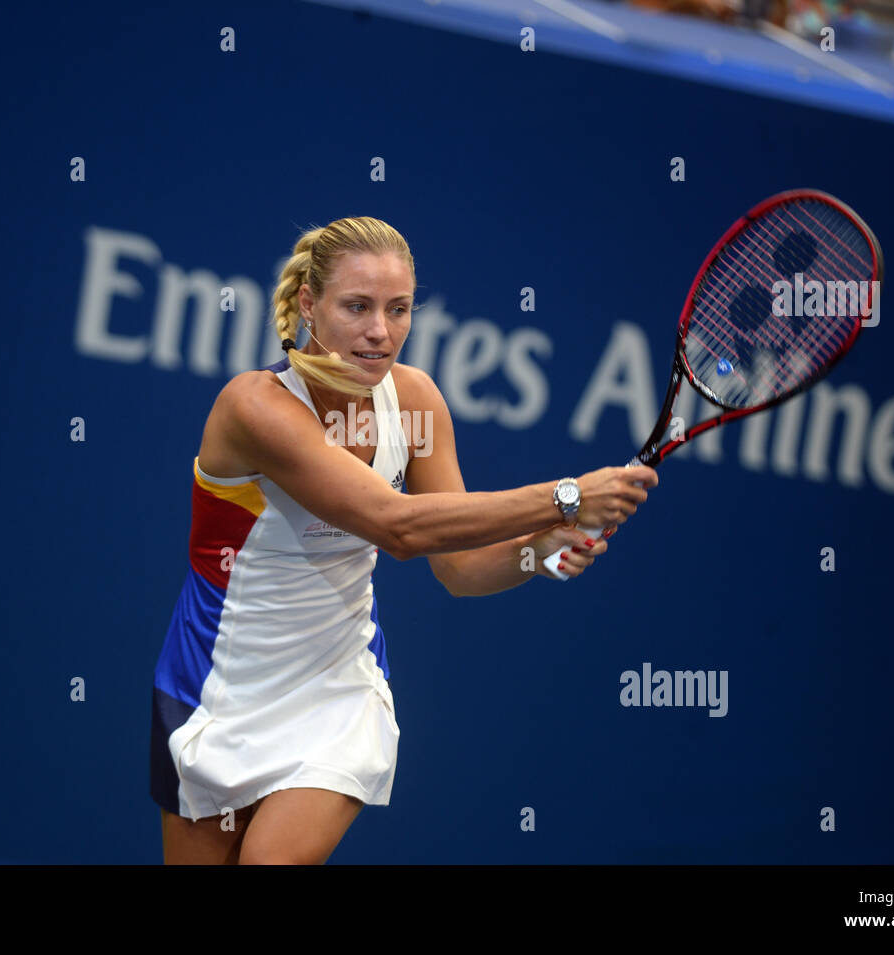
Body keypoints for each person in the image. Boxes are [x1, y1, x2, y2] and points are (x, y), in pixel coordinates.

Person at [150, 216, 658, 864]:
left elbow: (463, 567)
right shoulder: (256, 408)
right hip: (211, 687)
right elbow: (400, 526)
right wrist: (565, 496)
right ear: (309, 304)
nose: (380, 332)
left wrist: (542, 550)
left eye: (399, 309)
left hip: (338, 689)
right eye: (357, 307)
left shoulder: (414, 400)